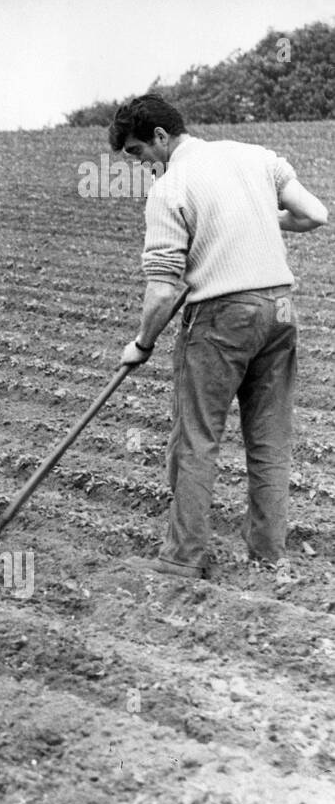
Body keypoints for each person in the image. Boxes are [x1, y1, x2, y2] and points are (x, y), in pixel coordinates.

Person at [112, 94, 328, 579]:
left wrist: (142, 343)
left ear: (160, 137)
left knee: (195, 439)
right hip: (280, 311)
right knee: (270, 439)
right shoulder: (254, 157)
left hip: (222, 317)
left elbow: (164, 290)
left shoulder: (171, 188)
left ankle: (182, 560)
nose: (139, 164)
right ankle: (268, 557)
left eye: (135, 151)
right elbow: (315, 215)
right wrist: (259, 220)